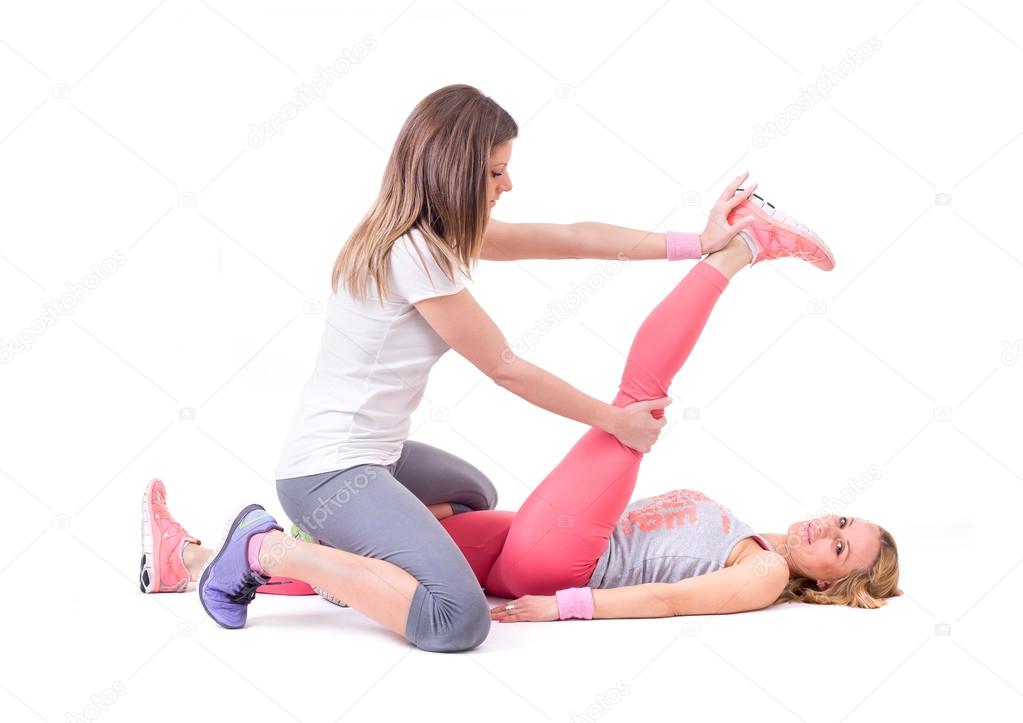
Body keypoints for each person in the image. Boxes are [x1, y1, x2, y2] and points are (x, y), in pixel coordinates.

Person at [138, 83, 875, 654]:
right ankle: (262, 543)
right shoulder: (416, 251)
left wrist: (693, 240)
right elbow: (505, 367)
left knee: (471, 493)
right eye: (496, 171)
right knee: (454, 616)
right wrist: (612, 422)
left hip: (365, 461)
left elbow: (571, 237)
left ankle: (200, 556)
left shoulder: (425, 229)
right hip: (332, 471)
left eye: (840, 545)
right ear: (455, 171)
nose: (507, 185)